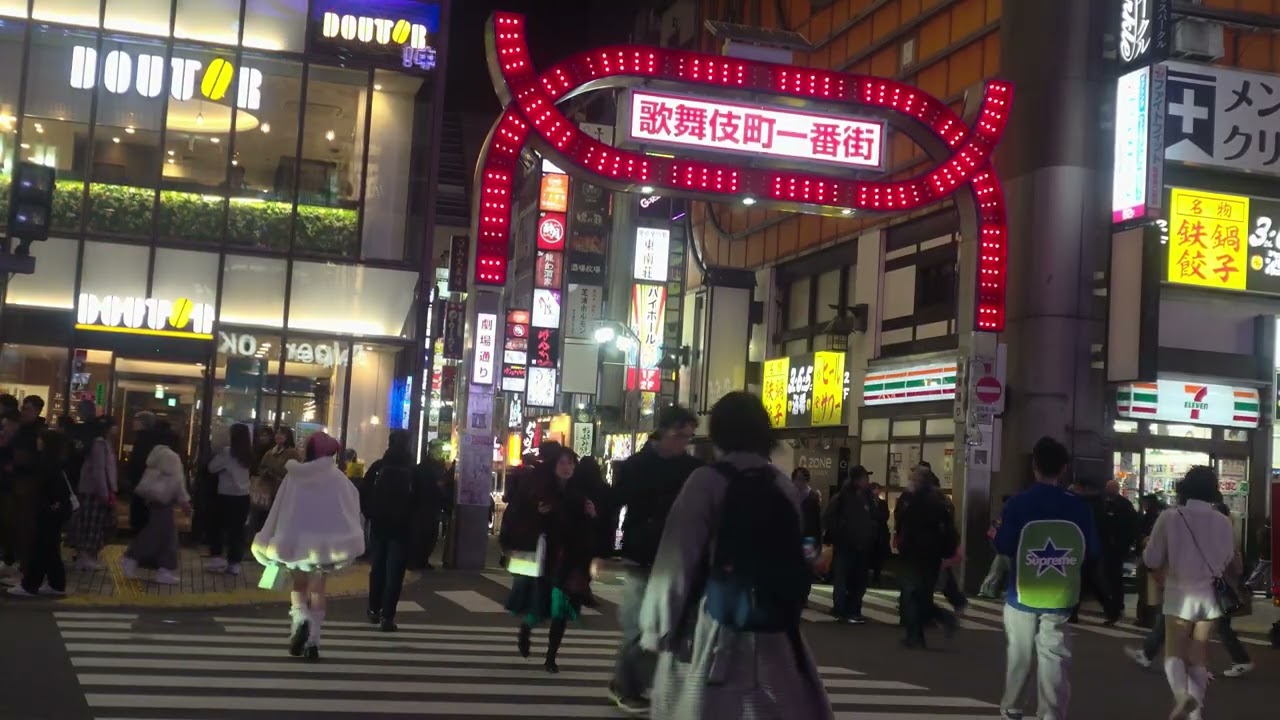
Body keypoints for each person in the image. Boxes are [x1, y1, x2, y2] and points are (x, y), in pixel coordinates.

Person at [640, 392, 832, 719]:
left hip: (717, 621)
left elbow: (677, 559)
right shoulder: (781, 485)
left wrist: (658, 627)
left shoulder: (706, 482)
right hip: (775, 627)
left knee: (706, 704)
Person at [994, 437, 1098, 720]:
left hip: (1022, 590)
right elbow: (1091, 550)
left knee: (1020, 653)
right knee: (1055, 656)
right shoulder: (1079, 507)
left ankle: (1013, 706)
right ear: (1063, 468)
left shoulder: (1018, 503)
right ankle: (1050, 713)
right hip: (1061, 592)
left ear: (1034, 465)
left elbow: (1003, 545)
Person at [607, 405, 702, 714]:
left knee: (665, 628)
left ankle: (633, 683)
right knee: (640, 629)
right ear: (662, 431)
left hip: (677, 558)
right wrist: (604, 550)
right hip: (642, 556)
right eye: (678, 435)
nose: (683, 442)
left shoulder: (693, 469)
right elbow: (613, 506)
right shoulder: (636, 466)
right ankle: (625, 685)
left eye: (688, 437)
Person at [252, 432, 364, 660]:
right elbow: (351, 503)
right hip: (325, 545)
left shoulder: (294, 475)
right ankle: (313, 640)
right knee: (318, 589)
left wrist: (269, 535)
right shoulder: (337, 479)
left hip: (293, 540)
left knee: (298, 584)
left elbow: (279, 507)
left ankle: (300, 619)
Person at [1142, 466, 1239, 719]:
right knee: (1198, 654)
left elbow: (1152, 558)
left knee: (1174, 651)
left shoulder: (1170, 517)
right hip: (1209, 596)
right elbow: (1229, 556)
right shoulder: (1223, 520)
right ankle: (1197, 713)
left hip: (1178, 594)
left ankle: (1182, 696)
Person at [504, 446, 597, 674]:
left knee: (562, 609)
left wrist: (592, 514)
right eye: (563, 463)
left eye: (571, 464)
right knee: (542, 603)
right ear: (554, 466)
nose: (567, 468)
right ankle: (526, 628)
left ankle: (551, 657)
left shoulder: (579, 492)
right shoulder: (539, 489)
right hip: (546, 555)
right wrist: (540, 515)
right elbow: (522, 517)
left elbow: (586, 526)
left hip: (570, 557)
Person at [362, 430, 422, 631]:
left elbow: (364, 491)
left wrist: (371, 513)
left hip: (379, 524)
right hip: (401, 527)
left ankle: (373, 608)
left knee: (377, 567)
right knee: (394, 573)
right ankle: (387, 616)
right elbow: (419, 501)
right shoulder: (413, 471)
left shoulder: (379, 467)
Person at [896, 466, 958, 648]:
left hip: (916, 554)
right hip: (931, 555)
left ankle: (918, 633)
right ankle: (918, 633)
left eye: (913, 479)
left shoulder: (917, 501)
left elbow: (907, 523)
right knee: (921, 595)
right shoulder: (939, 500)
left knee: (912, 595)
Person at [7, 430, 74, 597]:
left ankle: (30, 585)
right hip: (55, 510)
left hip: (48, 510)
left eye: (41, 439)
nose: (38, 441)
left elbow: (45, 488)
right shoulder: (56, 462)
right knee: (50, 549)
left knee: (39, 548)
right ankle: (56, 584)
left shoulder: (46, 463)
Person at [121, 427, 191, 585]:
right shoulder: (172, 457)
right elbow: (177, 482)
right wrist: (184, 502)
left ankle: (160, 568)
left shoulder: (156, 454)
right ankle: (133, 559)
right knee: (159, 536)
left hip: (152, 499)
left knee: (163, 535)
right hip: (163, 499)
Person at [824, 464, 876, 624]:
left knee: (859, 581)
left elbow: (874, 518)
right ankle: (841, 609)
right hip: (846, 545)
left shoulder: (868, 497)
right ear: (857, 479)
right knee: (843, 578)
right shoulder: (843, 497)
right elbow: (829, 518)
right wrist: (840, 534)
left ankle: (854, 609)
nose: (867, 481)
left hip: (862, 546)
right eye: (865, 478)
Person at [69, 416, 118, 571]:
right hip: (94, 491)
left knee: (93, 524)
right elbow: (99, 470)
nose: (116, 429)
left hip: (94, 490)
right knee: (91, 525)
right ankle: (86, 557)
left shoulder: (102, 443)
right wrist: (105, 492)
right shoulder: (99, 444)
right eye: (114, 426)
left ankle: (87, 557)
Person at [204, 423, 254, 575]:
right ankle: (235, 563)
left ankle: (217, 558)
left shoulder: (227, 452)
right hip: (243, 497)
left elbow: (211, 468)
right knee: (237, 531)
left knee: (217, 527)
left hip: (226, 496)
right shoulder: (249, 453)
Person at [1101, 479, 1139, 620]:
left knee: (1114, 577)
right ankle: (1114, 603)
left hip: (1116, 547)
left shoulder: (1122, 505)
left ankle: (1116, 603)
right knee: (1111, 577)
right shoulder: (1108, 504)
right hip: (1111, 546)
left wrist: (1123, 544)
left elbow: (1130, 526)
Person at [252, 427, 298, 532]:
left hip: (283, 491)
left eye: (282, 434)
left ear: (287, 437)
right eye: (277, 434)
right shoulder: (269, 453)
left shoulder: (292, 453)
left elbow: (295, 471)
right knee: (264, 517)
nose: (278, 436)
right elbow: (261, 467)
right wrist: (265, 472)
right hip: (267, 491)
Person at [1135, 493, 1167, 627]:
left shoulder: (1156, 518)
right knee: (1148, 591)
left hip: (1150, 558)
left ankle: (1147, 618)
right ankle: (1147, 618)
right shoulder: (1159, 516)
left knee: (1147, 590)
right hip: (1153, 558)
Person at [126, 411, 159, 533]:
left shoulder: (143, 439)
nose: (133, 423)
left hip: (142, 482)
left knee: (140, 515)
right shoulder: (149, 438)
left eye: (136, 420)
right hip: (144, 482)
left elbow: (139, 461)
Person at [978, 495, 1013, 599]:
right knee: (997, 568)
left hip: (1010, 552)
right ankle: (988, 591)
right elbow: (991, 535)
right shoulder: (1001, 521)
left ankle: (990, 591)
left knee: (999, 569)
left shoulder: (1009, 520)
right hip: (1004, 552)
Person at [867, 481, 891, 585]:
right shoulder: (867, 503)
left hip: (880, 534)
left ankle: (877, 575)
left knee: (879, 556)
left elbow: (885, 516)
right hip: (870, 533)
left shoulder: (882, 503)